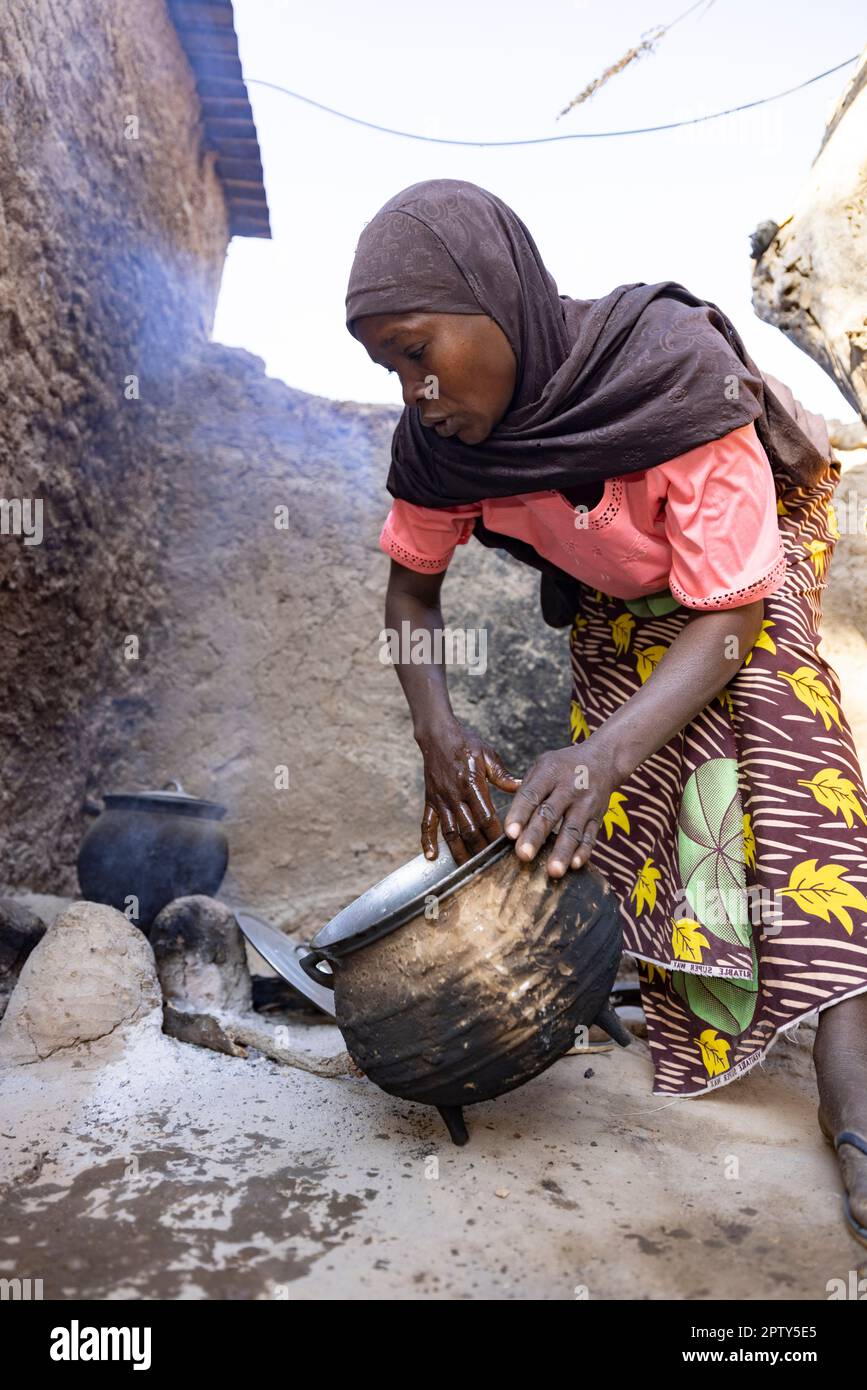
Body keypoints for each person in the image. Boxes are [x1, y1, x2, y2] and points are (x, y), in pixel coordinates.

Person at [345, 177, 867, 1248]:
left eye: (415, 349)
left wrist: (605, 752)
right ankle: (697, 997)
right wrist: (434, 727)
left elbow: (727, 615)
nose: (413, 390)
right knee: (625, 791)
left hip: (744, 565)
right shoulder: (443, 449)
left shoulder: (668, 371)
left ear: (498, 299)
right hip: (622, 589)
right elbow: (410, 591)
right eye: (387, 369)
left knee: (785, 745)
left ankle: (854, 1101)